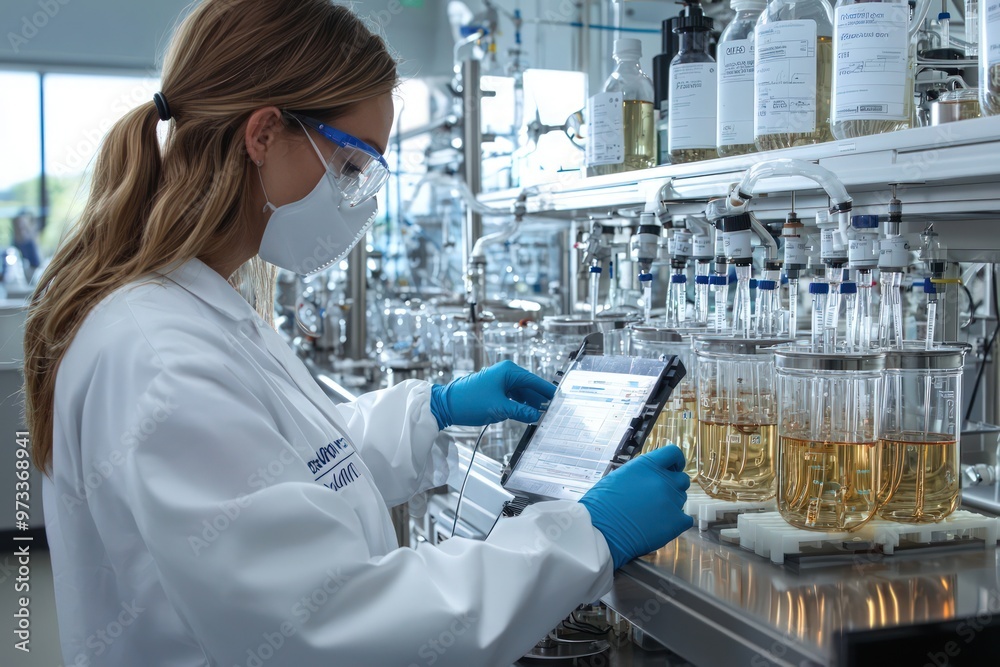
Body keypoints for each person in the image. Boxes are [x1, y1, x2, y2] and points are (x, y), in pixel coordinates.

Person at [23, 1, 693, 665]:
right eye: (350, 167)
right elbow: (330, 624)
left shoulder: (196, 307)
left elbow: (292, 471)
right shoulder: (160, 357)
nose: (361, 199)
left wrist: (432, 413)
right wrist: (582, 537)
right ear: (263, 135)